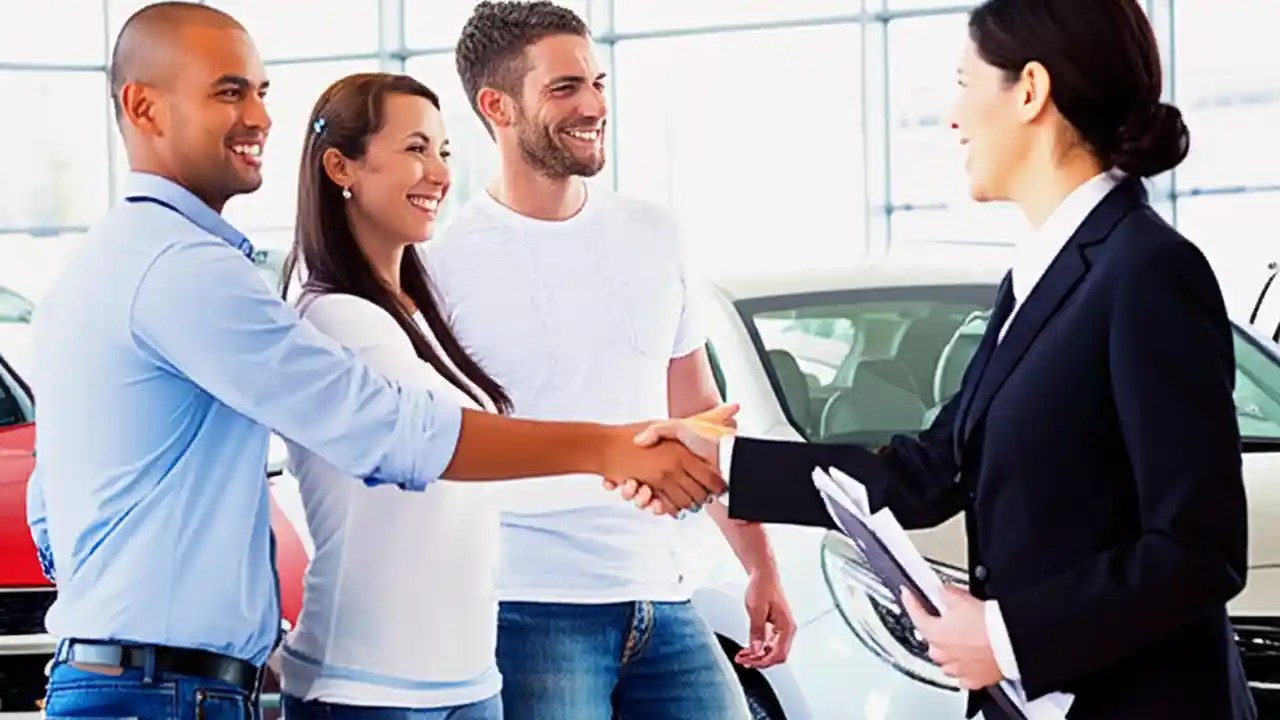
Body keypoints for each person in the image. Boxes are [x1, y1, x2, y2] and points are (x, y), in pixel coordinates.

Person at [24, 3, 725, 717]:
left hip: (171, 679)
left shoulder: (108, 265)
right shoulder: (191, 272)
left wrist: (119, 597)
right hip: (175, 690)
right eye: (229, 91)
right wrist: (611, 447)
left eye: (263, 92)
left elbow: (49, 505)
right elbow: (390, 432)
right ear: (143, 106)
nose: (261, 118)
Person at [639, 1, 1257, 718]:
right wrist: (724, 462)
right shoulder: (1037, 278)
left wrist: (1005, 634)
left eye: (964, 83)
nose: (953, 119)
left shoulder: (1146, 270)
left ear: (1030, 90)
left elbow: (1200, 548)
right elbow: (929, 472)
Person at [419, 3, 793, 718]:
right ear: (496, 107)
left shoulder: (654, 232)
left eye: (596, 81)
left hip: (664, 592)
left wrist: (759, 565)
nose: (593, 105)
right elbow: (440, 450)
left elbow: (700, 418)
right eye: (564, 89)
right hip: (525, 606)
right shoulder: (440, 265)